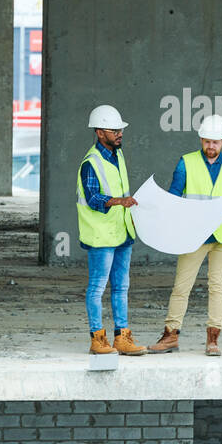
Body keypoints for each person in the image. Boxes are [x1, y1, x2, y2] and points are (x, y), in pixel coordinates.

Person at [148, 114, 222, 357]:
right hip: (194, 236)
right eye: (206, 141)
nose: (210, 146)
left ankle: (213, 340)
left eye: (215, 142)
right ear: (201, 139)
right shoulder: (187, 163)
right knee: (182, 287)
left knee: (217, 287)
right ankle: (170, 335)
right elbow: (173, 196)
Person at [77, 105, 147, 357]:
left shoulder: (118, 156)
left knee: (121, 287)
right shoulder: (91, 162)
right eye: (114, 130)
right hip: (101, 236)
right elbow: (94, 198)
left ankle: (122, 337)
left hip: (121, 232)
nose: (119, 134)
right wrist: (121, 202)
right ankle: (97, 338)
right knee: (97, 287)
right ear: (99, 132)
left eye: (120, 130)